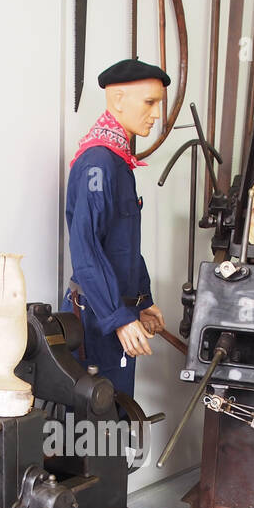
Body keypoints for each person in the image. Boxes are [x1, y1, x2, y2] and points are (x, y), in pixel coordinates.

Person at [65, 59, 169, 398]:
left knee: (115, 416)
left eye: (158, 104)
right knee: (94, 425)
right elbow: (87, 250)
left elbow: (124, 248)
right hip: (97, 319)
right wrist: (118, 318)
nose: (156, 114)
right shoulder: (99, 162)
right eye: (150, 102)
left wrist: (143, 302)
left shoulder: (118, 162)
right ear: (119, 100)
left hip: (116, 313)